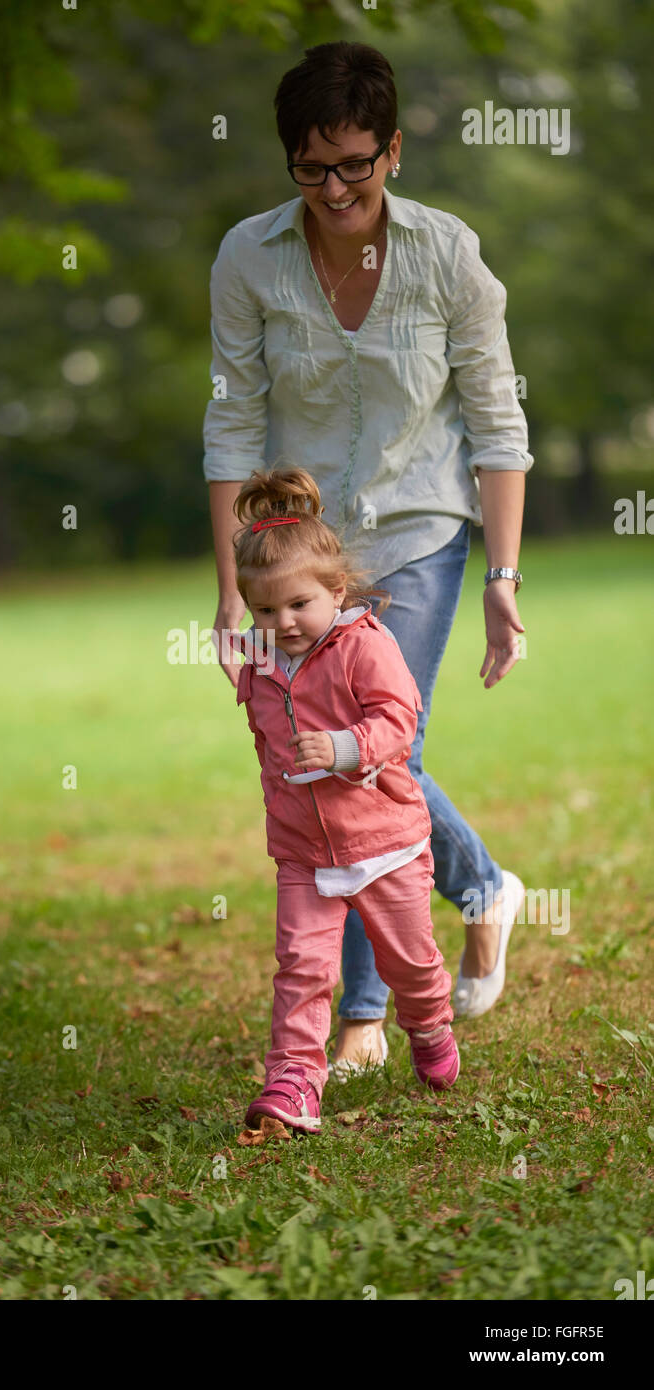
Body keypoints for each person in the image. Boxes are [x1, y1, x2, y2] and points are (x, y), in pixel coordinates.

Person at [203, 40, 531, 1078]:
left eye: (354, 163)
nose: (335, 189)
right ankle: (481, 889)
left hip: (419, 534)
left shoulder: (447, 255)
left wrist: (503, 580)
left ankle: (362, 1011)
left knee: (377, 751)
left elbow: (497, 424)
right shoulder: (248, 259)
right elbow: (231, 426)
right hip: (299, 552)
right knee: (341, 756)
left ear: (392, 149)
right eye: (312, 168)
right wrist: (228, 589)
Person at [230, 466, 459, 1134]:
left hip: (383, 841)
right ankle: (294, 1083)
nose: (283, 622)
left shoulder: (364, 647)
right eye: (265, 611)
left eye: (298, 604)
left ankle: (428, 1024)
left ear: (336, 590)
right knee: (301, 968)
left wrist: (345, 747)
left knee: (409, 963)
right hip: (304, 852)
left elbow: (399, 719)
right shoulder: (260, 663)